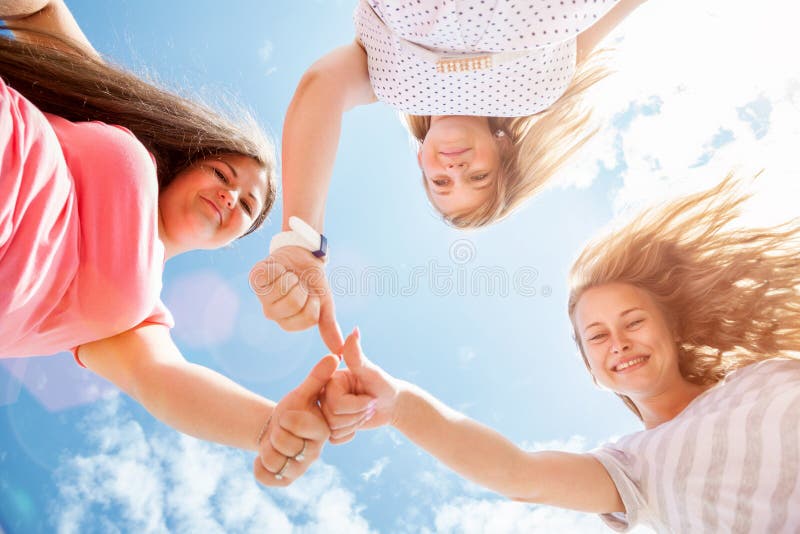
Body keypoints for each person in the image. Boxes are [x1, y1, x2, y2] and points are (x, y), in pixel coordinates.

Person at [0, 0, 370, 487]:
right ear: (187, 163)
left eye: (246, 206)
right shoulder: (122, 127)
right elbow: (36, 13)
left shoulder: (134, 318)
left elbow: (163, 381)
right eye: (222, 172)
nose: (229, 194)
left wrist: (268, 426)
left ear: (232, 240)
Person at [319, 176, 800, 531]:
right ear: (592, 369)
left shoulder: (766, 372)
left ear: (670, 329)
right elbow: (517, 474)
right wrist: (400, 404)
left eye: (633, 321)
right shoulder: (633, 465)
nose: (619, 342)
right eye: (597, 336)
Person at [250, 0, 648, 354]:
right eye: (478, 177)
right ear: (502, 148)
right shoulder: (536, 90)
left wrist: (301, 242)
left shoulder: (389, 83)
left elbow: (321, 90)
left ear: (420, 156)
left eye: (441, 183)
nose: (455, 171)